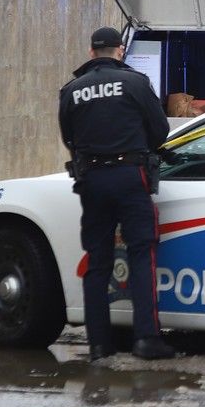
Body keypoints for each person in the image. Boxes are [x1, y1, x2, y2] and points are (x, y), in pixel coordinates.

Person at [58, 27, 174, 362]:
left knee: (97, 263)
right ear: (120, 51)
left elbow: (69, 136)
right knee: (141, 254)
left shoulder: (72, 90)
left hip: (92, 178)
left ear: (92, 52)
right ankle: (146, 339)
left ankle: (98, 344)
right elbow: (161, 130)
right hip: (129, 175)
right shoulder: (136, 83)